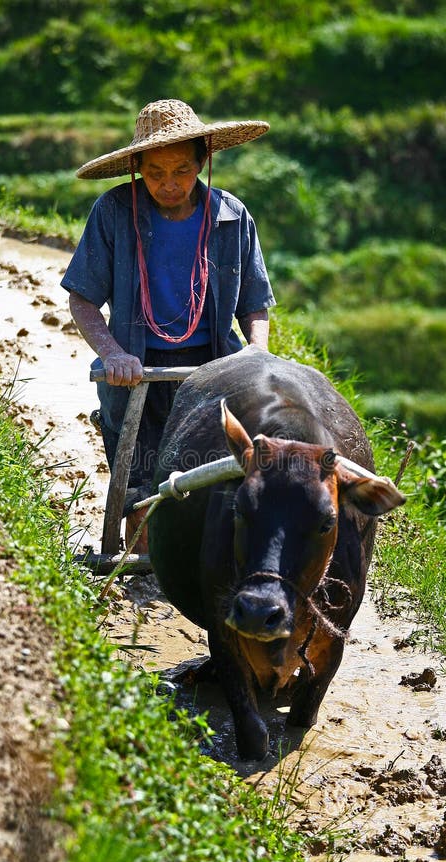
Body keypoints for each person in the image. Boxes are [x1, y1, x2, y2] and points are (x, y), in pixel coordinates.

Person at [61, 98, 275, 548]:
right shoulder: (115, 212)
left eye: (181, 170)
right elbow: (82, 299)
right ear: (137, 168)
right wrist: (113, 353)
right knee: (140, 480)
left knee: (224, 469)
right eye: (155, 173)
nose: (169, 184)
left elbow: (255, 304)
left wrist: (256, 353)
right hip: (137, 364)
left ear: (203, 161)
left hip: (213, 362)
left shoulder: (231, 216)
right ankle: (139, 540)